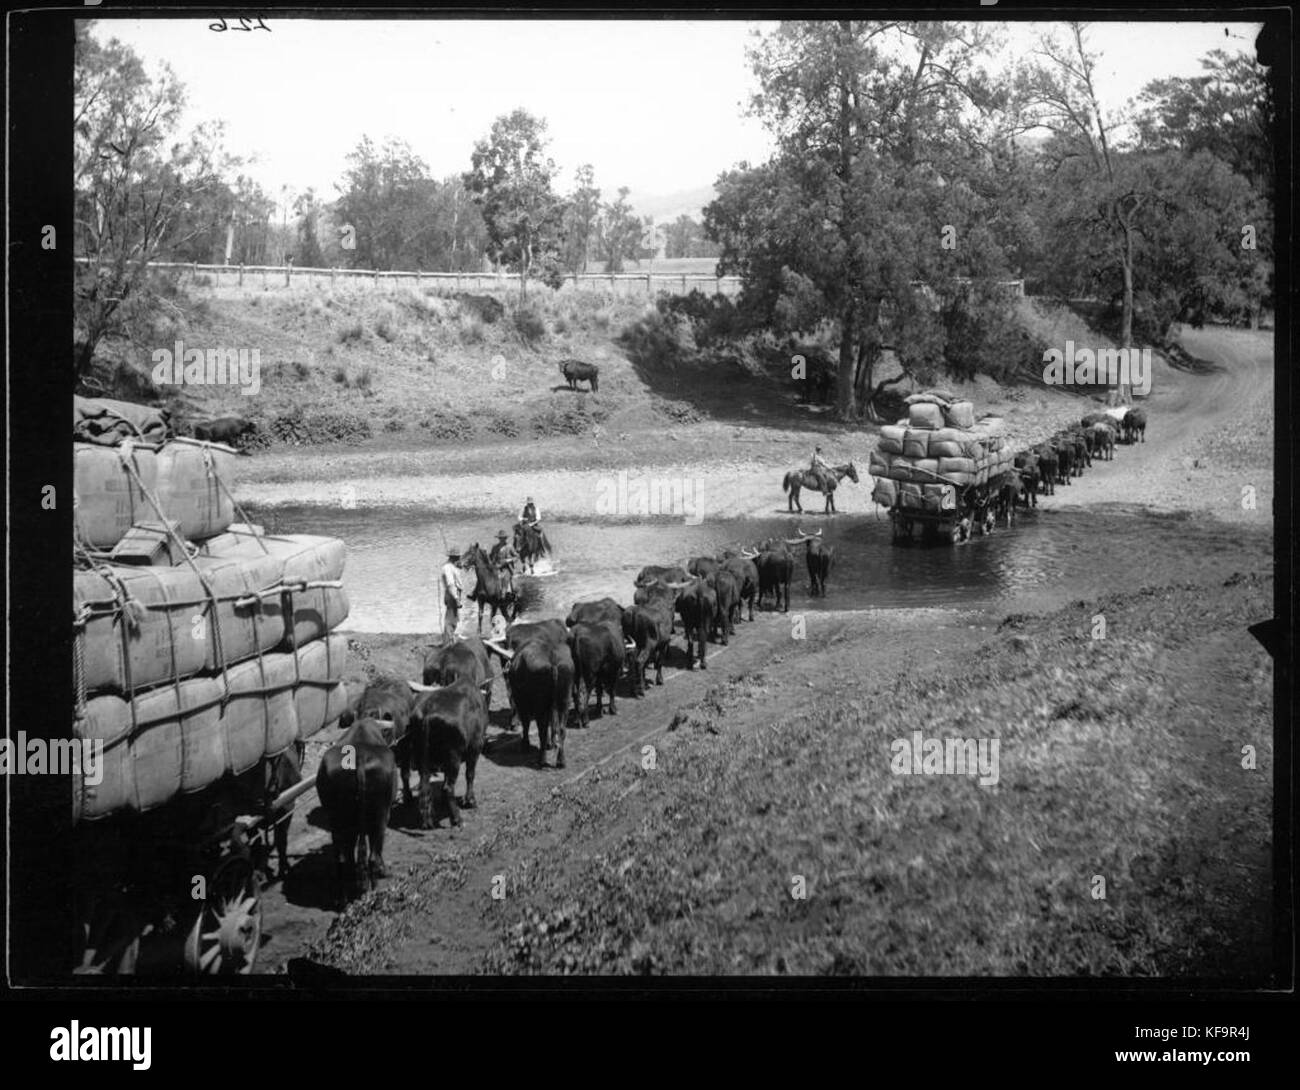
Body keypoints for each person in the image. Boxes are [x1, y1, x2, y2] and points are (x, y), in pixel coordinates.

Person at [440, 548, 463, 637]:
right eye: (458, 557)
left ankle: (450, 638)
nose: (460, 558)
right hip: (452, 594)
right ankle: (449, 640)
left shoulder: (451, 566)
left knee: (454, 617)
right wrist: (456, 598)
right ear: (455, 557)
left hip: (454, 593)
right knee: (451, 618)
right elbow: (450, 584)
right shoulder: (447, 568)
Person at [489, 530, 518, 596]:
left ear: (505, 538)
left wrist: (509, 560)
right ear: (498, 538)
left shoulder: (509, 546)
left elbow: (516, 557)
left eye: (503, 538)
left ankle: (512, 595)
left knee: (508, 581)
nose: (501, 539)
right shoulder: (495, 547)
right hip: (497, 567)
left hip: (507, 568)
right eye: (500, 538)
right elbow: (491, 557)